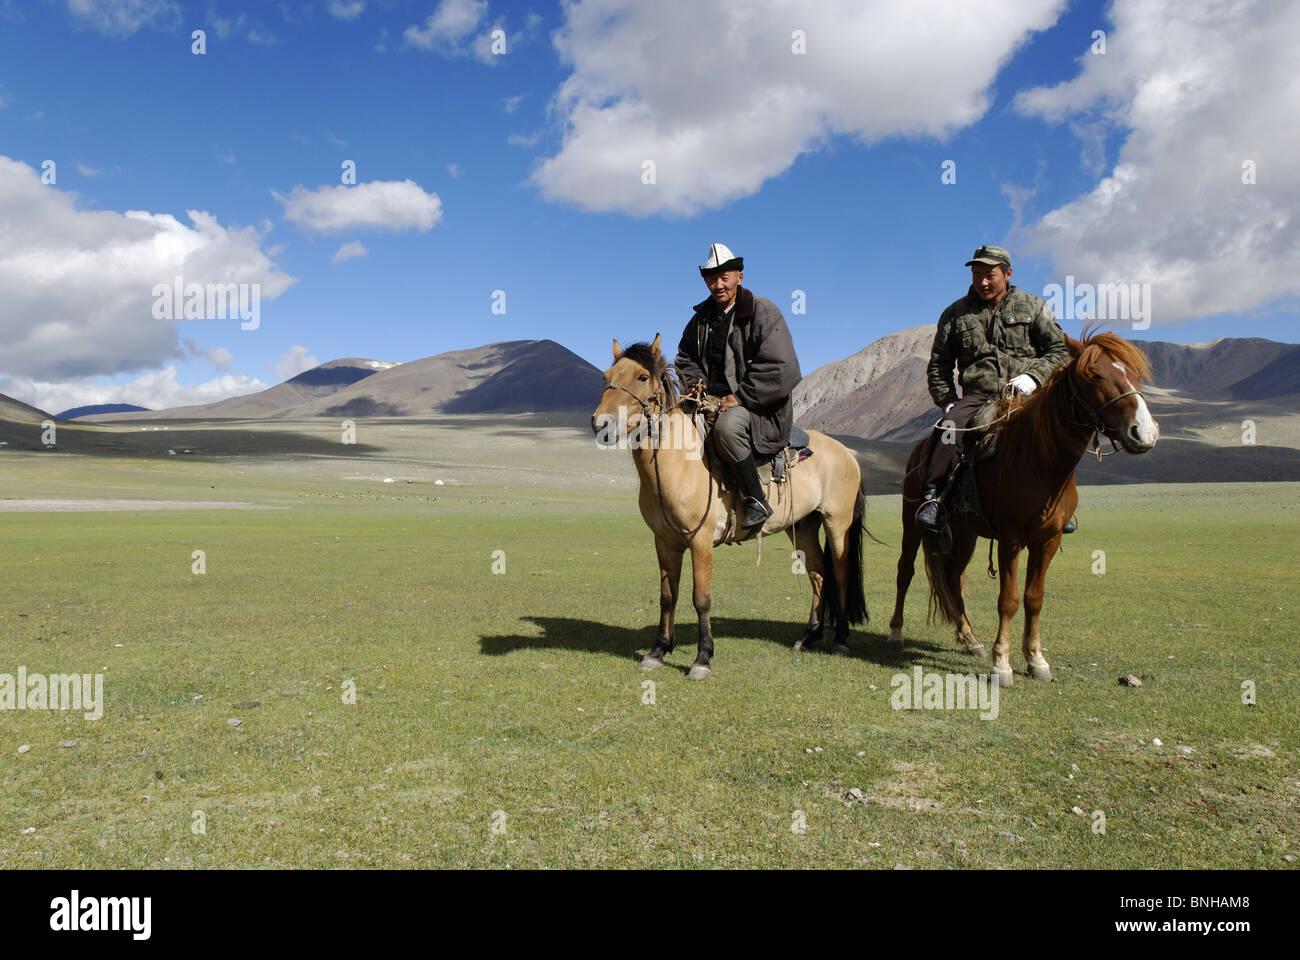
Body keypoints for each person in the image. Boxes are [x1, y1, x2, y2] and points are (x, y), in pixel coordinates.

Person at [916, 244, 1069, 531]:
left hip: (1028, 396)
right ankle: (932, 497)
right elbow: (939, 364)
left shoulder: (1034, 307)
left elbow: (1059, 351)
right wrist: (947, 400)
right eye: (977, 275)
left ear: (1007, 274)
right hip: (977, 396)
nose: (983, 282)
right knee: (949, 429)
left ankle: (1060, 501)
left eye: (990, 275)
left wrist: (1034, 377)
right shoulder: (955, 314)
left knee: (1059, 432)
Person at [675, 243, 802, 530]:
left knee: (727, 429)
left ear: (739, 277)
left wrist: (740, 397)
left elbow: (780, 365)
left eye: (724, 277)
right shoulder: (700, 321)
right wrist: (696, 384)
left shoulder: (763, 312)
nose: (717, 285)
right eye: (711, 278)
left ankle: (756, 499)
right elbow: (685, 358)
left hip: (759, 409)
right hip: (710, 401)